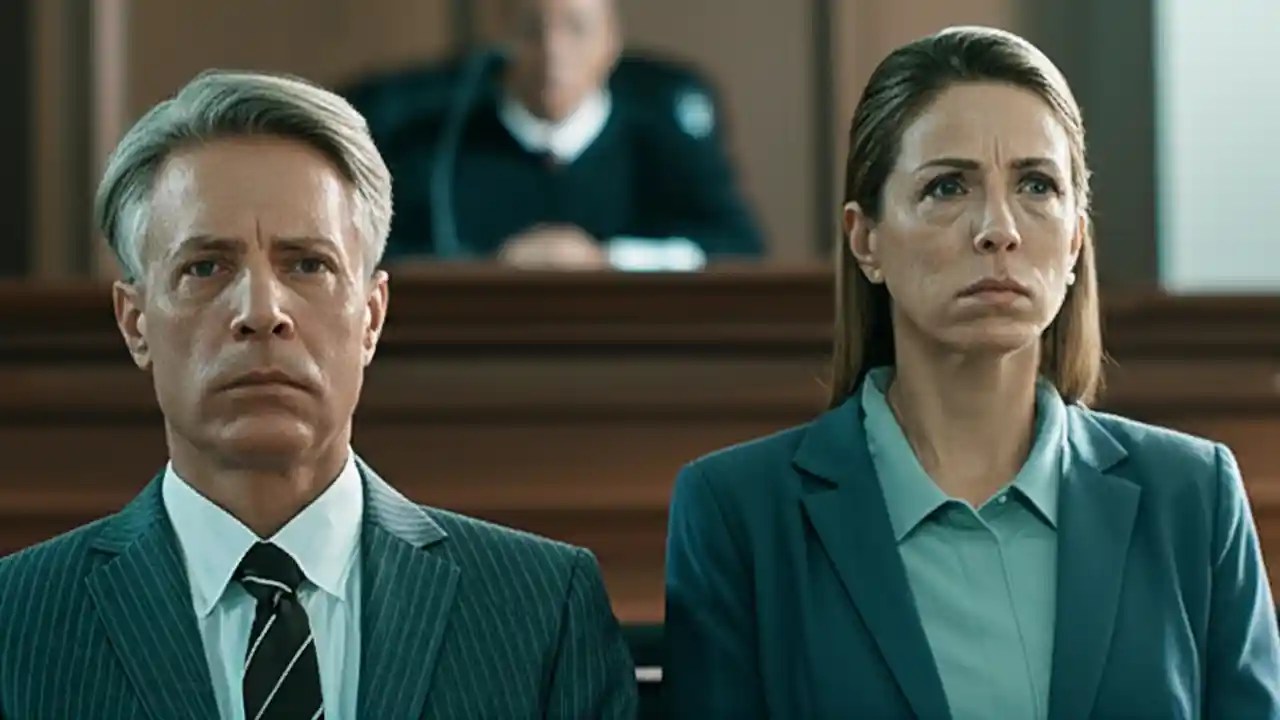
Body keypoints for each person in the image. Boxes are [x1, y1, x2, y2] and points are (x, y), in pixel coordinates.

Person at [664, 26, 1280, 720]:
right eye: (948, 186)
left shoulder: (1194, 496)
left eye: (1037, 185)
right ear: (866, 239)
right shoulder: (738, 510)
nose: (997, 228)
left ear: (1076, 238)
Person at [0, 70, 636, 719]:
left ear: (372, 317)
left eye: (307, 264)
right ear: (136, 323)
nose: (261, 311)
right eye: (204, 268)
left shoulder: (537, 609)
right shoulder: (14, 621)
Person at [344, 0, 764, 271]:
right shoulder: (437, 139)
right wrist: (492, 268)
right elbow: (384, 256)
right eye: (532, 30)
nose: (554, 51)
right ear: (500, 38)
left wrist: (606, 260)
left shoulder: (664, 126)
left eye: (577, 29)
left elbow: (737, 250)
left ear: (611, 41)